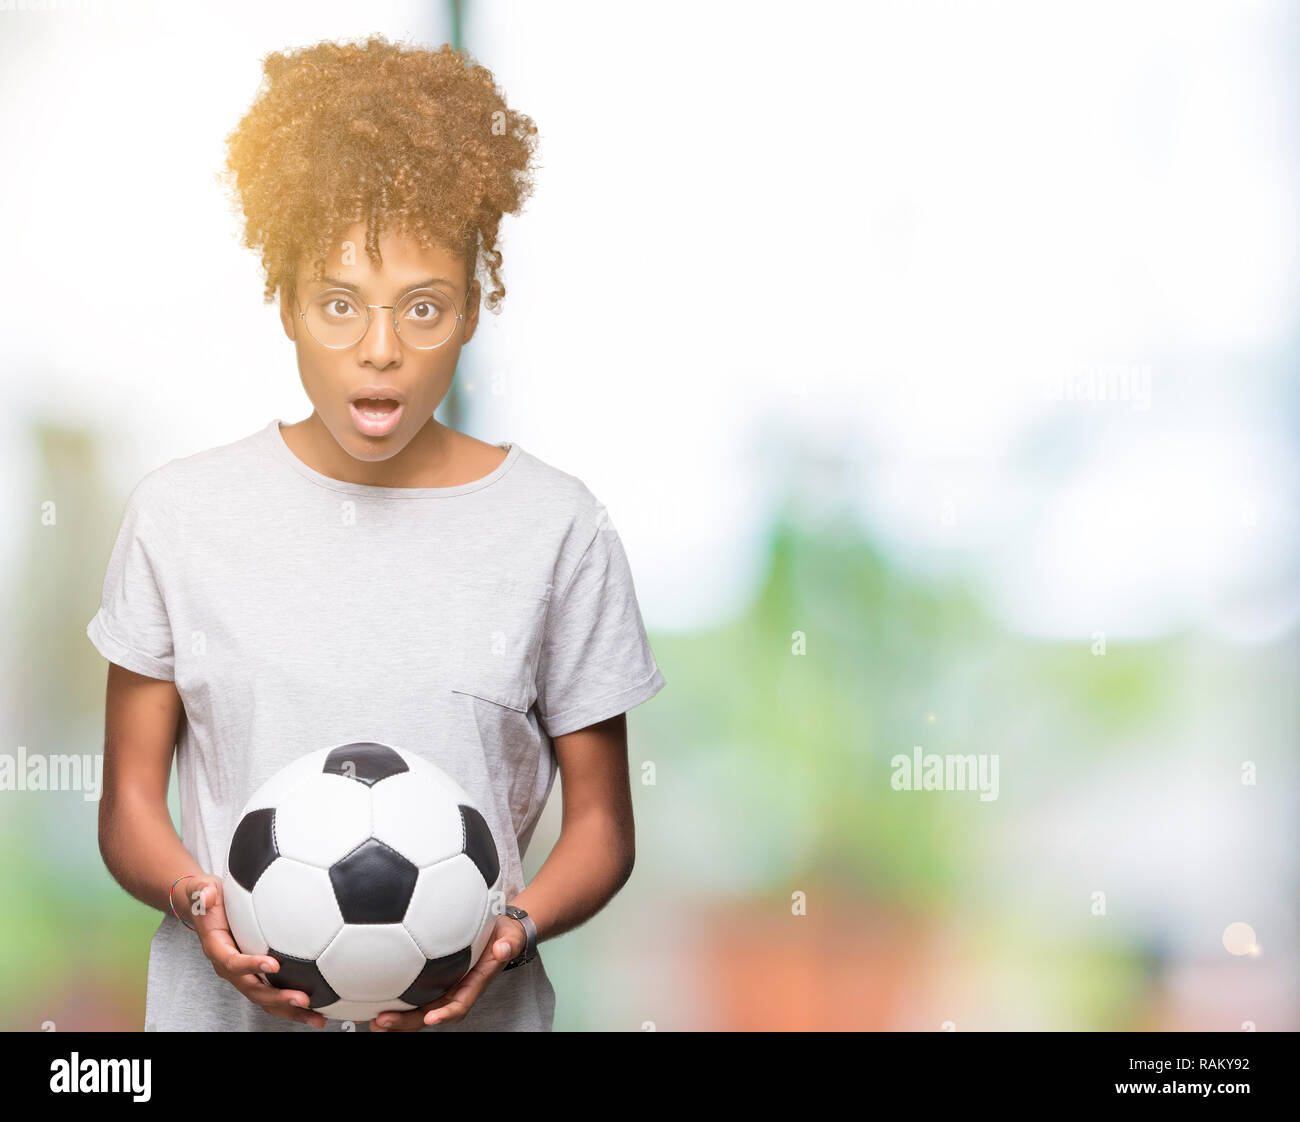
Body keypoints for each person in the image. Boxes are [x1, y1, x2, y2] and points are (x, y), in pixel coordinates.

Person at [86, 35, 665, 1032]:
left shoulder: (558, 529)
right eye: (339, 304)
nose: (381, 350)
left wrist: (513, 931)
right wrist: (198, 901)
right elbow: (129, 806)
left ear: (474, 308)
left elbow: (604, 826)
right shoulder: (179, 517)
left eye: (423, 307)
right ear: (284, 302)